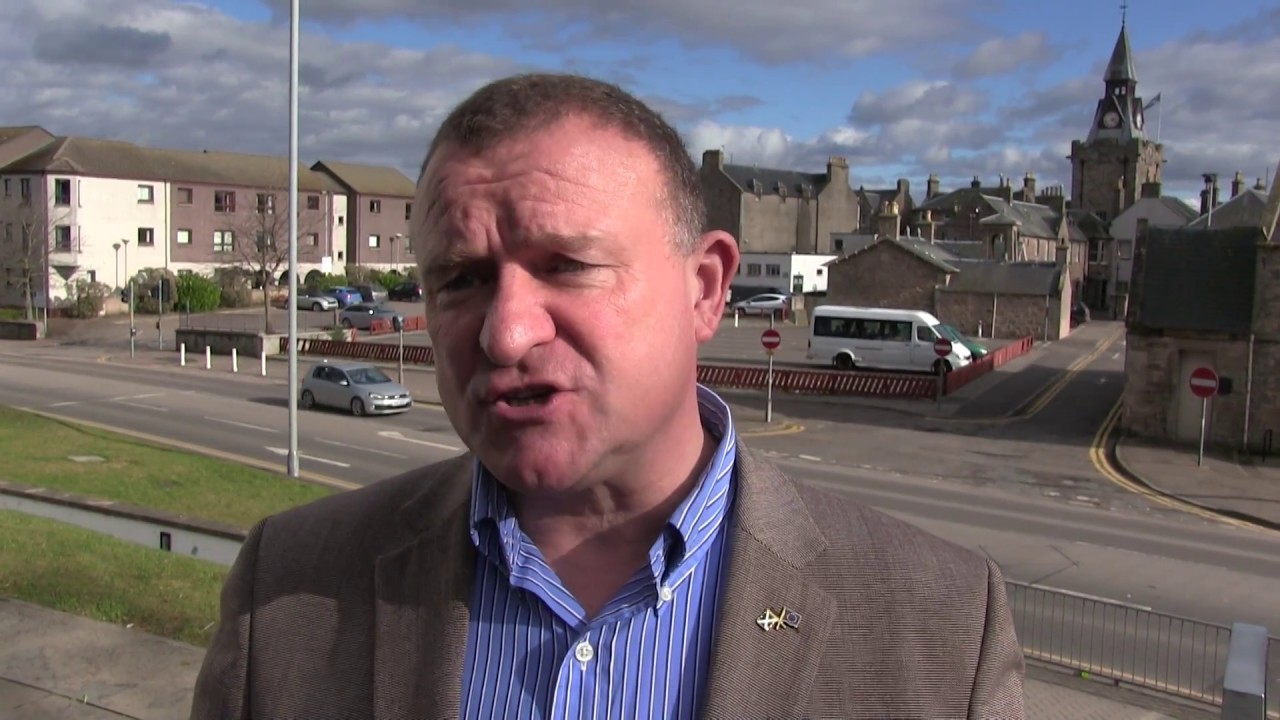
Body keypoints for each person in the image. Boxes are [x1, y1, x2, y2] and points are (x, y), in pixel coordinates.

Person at [191, 73, 1025, 719]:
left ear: (706, 290)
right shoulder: (289, 589)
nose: (506, 333)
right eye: (461, 279)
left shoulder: (943, 627)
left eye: (567, 266)